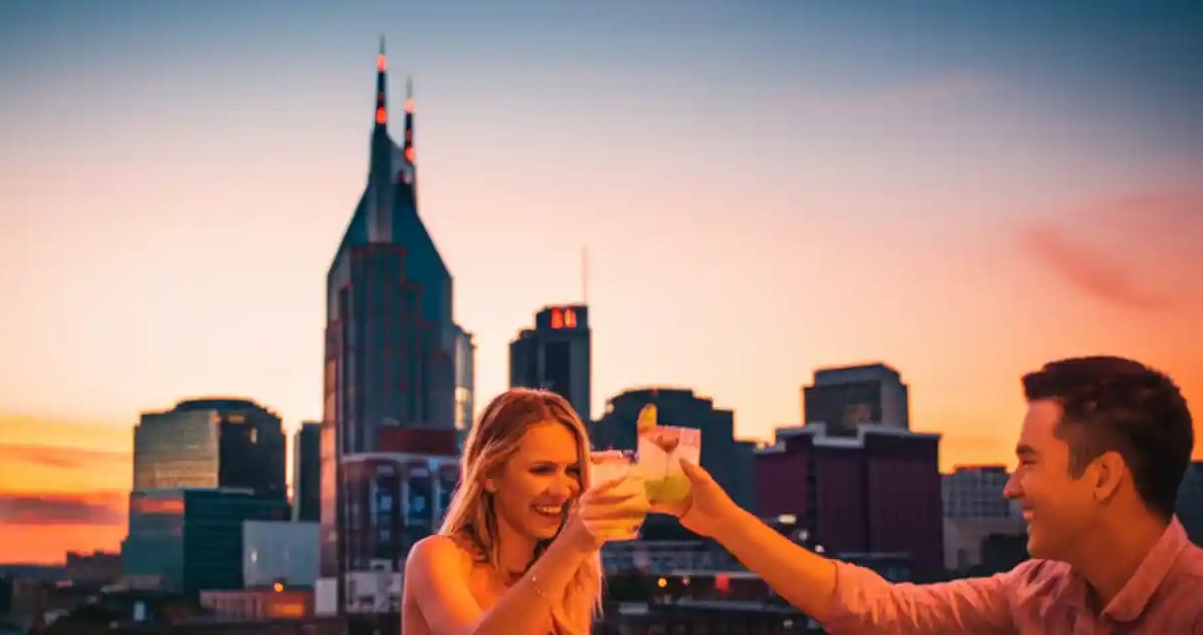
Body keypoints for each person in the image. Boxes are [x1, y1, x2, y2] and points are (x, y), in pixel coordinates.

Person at [657, 356, 1203, 633]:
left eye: (1029, 462)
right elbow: (877, 610)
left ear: (1104, 477)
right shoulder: (1038, 593)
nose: (1012, 488)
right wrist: (721, 519)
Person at [403, 388, 647, 635]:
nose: (562, 490)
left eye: (572, 471)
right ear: (490, 474)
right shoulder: (436, 558)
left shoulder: (572, 578)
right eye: (542, 470)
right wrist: (572, 547)